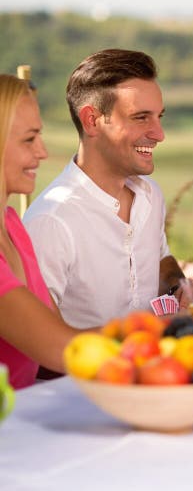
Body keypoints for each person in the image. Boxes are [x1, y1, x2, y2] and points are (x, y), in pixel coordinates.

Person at [23, 49, 185, 328]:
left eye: (159, 117)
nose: (159, 134)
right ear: (92, 120)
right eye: (141, 117)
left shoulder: (150, 195)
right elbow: (39, 344)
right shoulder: (51, 221)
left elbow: (160, 259)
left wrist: (180, 287)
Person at [0, 74, 82, 387]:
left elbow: (59, 336)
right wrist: (168, 334)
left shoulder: (12, 226)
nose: (43, 152)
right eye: (29, 139)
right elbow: (62, 350)